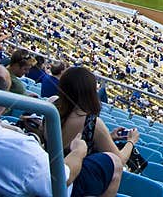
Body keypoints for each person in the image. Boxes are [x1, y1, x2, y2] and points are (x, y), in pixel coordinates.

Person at [0, 63, 117, 196]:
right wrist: (79, 152)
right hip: (56, 186)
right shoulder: (22, 148)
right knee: (111, 161)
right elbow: (62, 178)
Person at [53, 66, 128, 197]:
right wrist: (131, 141)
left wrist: (108, 137)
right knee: (114, 162)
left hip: (50, 170)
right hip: (73, 180)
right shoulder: (93, 123)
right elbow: (121, 160)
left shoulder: (52, 107)